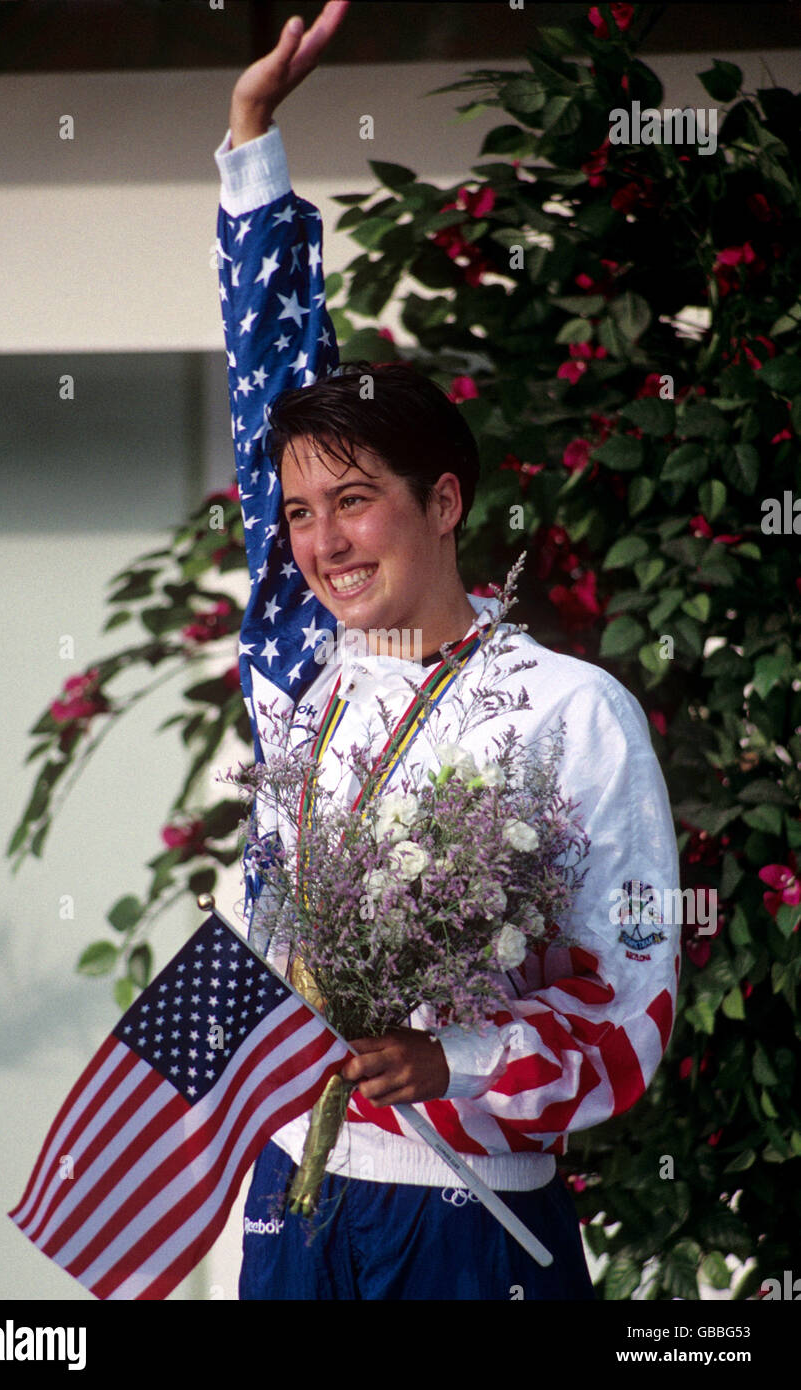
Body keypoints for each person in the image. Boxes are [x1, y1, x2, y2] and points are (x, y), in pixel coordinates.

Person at [213, 2, 680, 1300]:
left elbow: (638, 998)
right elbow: (272, 379)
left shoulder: (572, 713)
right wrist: (249, 139)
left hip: (465, 1219)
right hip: (291, 1199)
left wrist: (458, 1061)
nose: (317, 540)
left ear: (443, 502)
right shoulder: (303, 671)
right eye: (298, 514)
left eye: (353, 500)